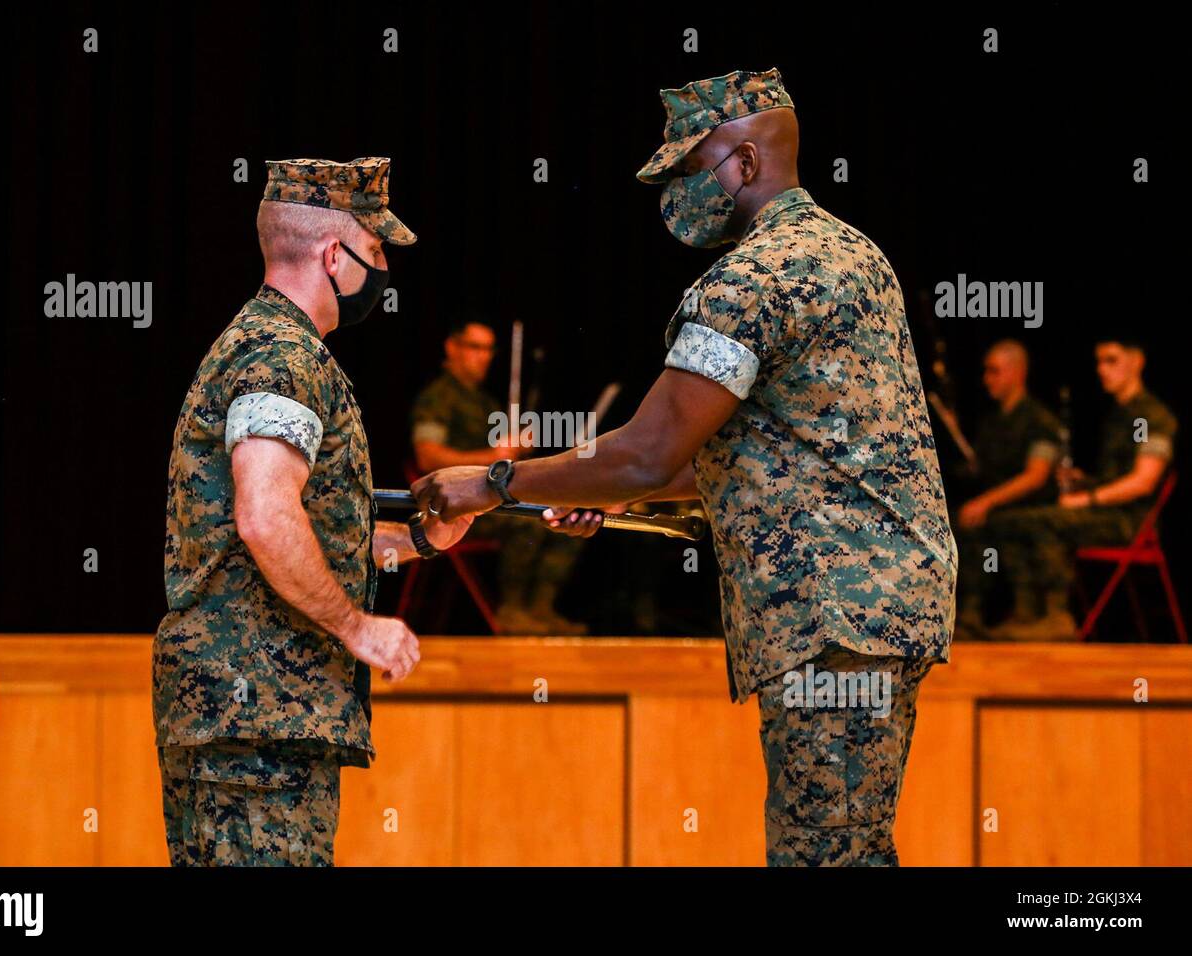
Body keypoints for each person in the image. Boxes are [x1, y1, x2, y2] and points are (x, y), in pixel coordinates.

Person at [413, 69, 956, 866]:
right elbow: (769, 455)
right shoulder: (856, 256)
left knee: (825, 855)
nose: (677, 190)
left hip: (830, 612)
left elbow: (647, 451)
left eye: (689, 168)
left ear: (742, 162)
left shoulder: (753, 278)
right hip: (883, 602)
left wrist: (492, 485)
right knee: (848, 843)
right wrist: (609, 492)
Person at [153, 157, 472, 866]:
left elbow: (308, 528)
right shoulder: (280, 355)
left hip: (256, 719)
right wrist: (356, 627)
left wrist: (419, 540)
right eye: (378, 249)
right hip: (255, 717)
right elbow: (265, 518)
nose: (384, 268)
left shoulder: (278, 349)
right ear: (336, 255)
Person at [990, 338, 1177, 641]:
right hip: (1108, 511)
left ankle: (1055, 617)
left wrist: (1086, 498)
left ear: (1137, 361)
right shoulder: (1120, 414)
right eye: (1099, 362)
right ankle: (1026, 615)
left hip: (1128, 522)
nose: (1102, 370)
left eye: (1111, 361)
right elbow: (1117, 477)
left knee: (1042, 523)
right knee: (1012, 520)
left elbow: (1143, 482)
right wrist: (1083, 480)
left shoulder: (1151, 416)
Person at [411, 319, 588, 634]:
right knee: (531, 518)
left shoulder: (484, 402)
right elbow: (427, 456)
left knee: (563, 513)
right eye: (475, 347)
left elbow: (503, 457)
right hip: (455, 504)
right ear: (452, 347)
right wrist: (493, 456)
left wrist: (517, 447)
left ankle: (538, 609)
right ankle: (513, 611)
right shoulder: (438, 396)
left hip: (489, 499)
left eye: (489, 349)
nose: (485, 356)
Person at [953, 340, 1060, 640]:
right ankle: (968, 614)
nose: (987, 379)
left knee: (993, 524)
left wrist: (986, 502)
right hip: (996, 506)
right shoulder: (992, 422)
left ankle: (1025, 614)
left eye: (995, 371)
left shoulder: (1040, 421)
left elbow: (1035, 477)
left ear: (1017, 372)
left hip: (1028, 508)